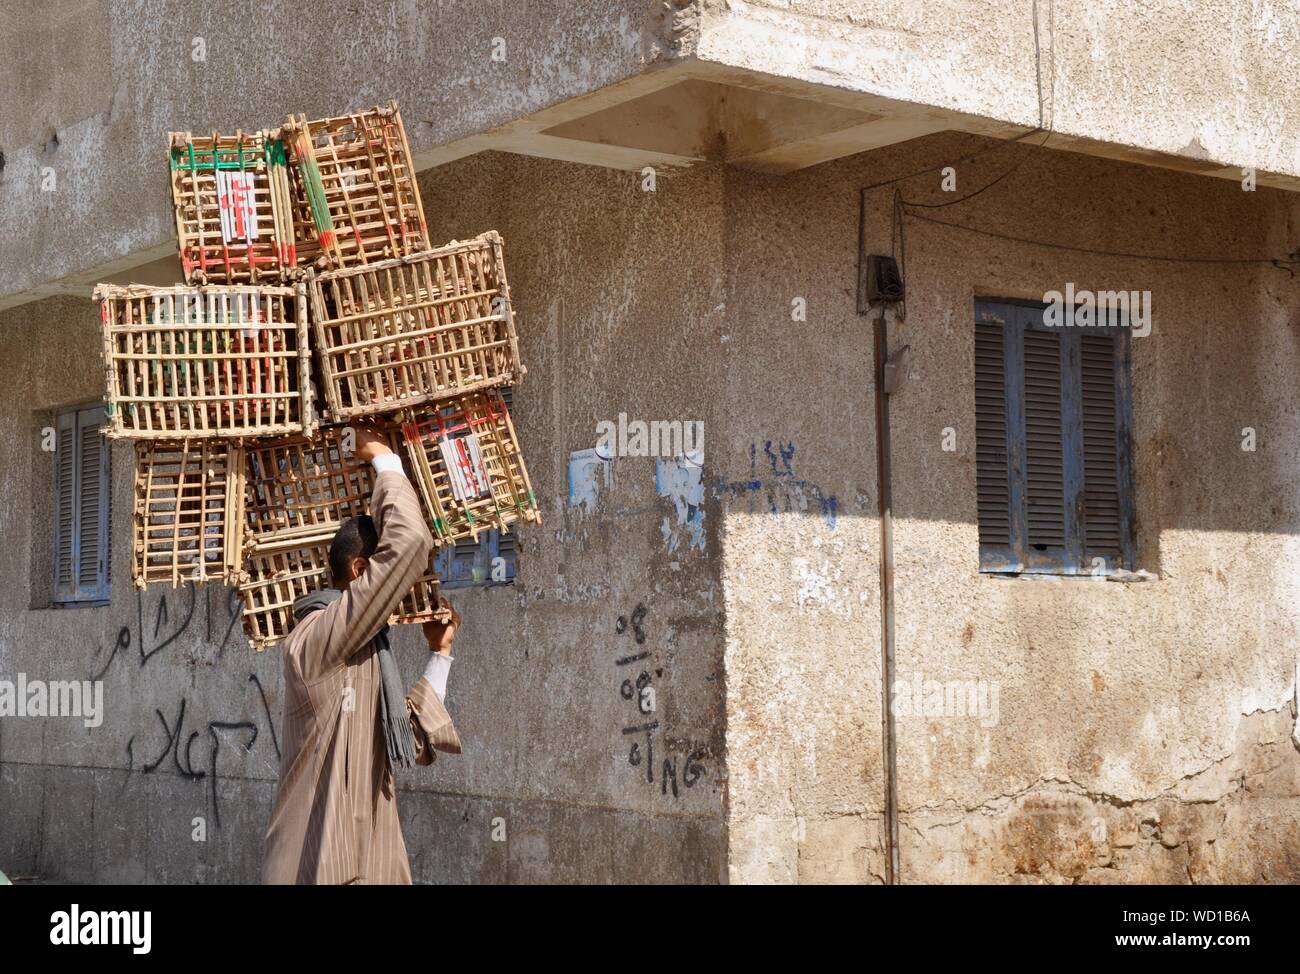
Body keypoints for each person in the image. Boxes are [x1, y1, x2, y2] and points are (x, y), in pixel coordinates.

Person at [262, 423, 462, 885]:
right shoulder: (313, 641)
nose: (400, 589)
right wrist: (382, 458)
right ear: (359, 570)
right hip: (314, 866)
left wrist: (440, 654)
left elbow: (409, 741)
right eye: (382, 572)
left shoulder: (368, 652)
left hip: (369, 862)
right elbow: (409, 543)